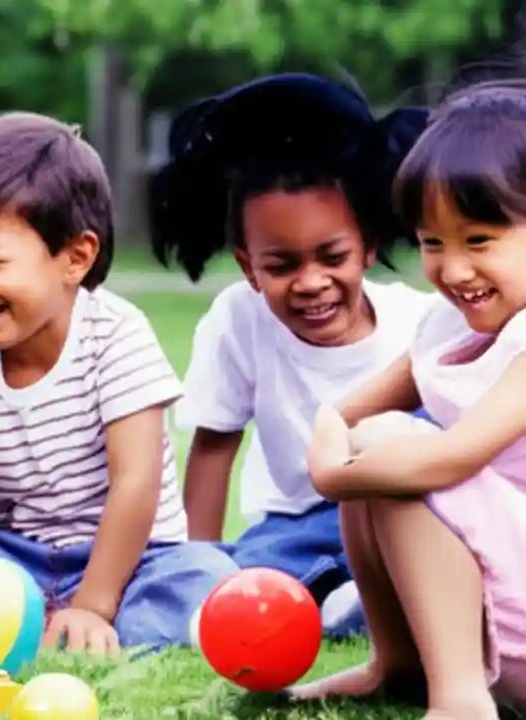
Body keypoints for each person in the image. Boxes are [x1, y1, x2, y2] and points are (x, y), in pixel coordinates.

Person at [0, 112, 239, 652]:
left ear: (75, 258)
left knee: (206, 576)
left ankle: (91, 628)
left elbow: (135, 485)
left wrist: (94, 603)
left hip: (133, 558)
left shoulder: (116, 337)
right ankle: (36, 626)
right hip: (13, 556)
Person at [147, 72, 433, 638]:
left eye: (332, 256)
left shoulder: (417, 323)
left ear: (368, 246)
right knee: (247, 576)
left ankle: (367, 602)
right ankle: (338, 606)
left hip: (398, 513)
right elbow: (212, 448)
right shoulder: (237, 321)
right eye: (281, 265)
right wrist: (199, 573)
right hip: (293, 528)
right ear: (249, 266)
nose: (311, 282)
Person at [289, 78, 526, 720]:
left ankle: (460, 701)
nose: (453, 270)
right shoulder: (447, 324)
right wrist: (335, 451)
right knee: (383, 445)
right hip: (499, 592)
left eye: (479, 241)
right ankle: (395, 663)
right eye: (432, 243)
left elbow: (451, 460)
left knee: (395, 450)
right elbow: (343, 412)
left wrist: (340, 471)